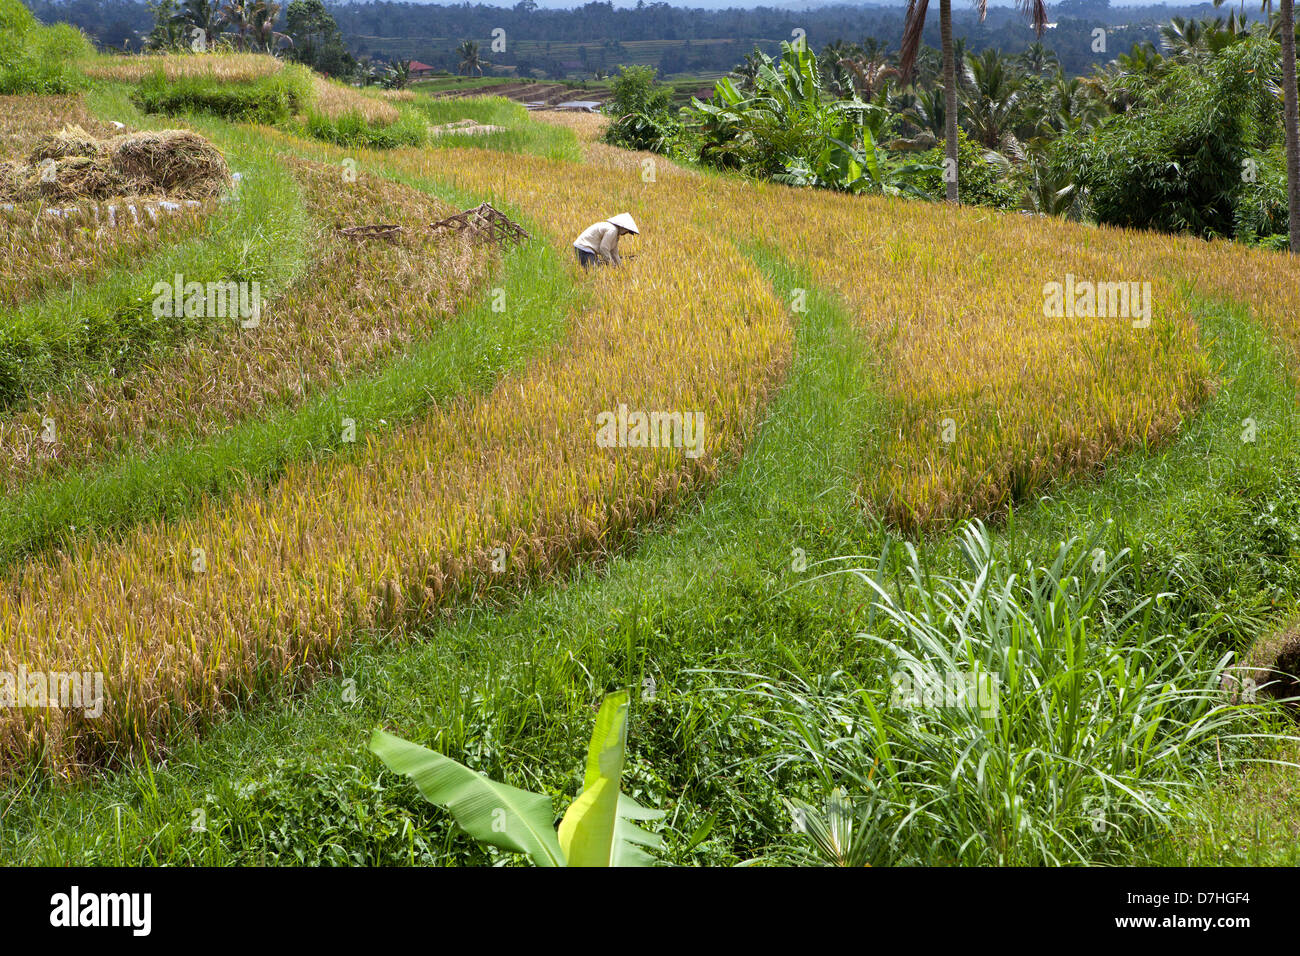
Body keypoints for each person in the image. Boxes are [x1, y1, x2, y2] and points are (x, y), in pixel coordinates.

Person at [572, 213, 638, 267]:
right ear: (623, 227)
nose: (626, 233)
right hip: (584, 248)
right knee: (592, 271)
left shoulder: (615, 234)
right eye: (627, 231)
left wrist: (620, 267)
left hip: (588, 250)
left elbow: (614, 253)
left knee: (597, 269)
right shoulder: (612, 230)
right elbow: (603, 248)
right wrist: (612, 264)